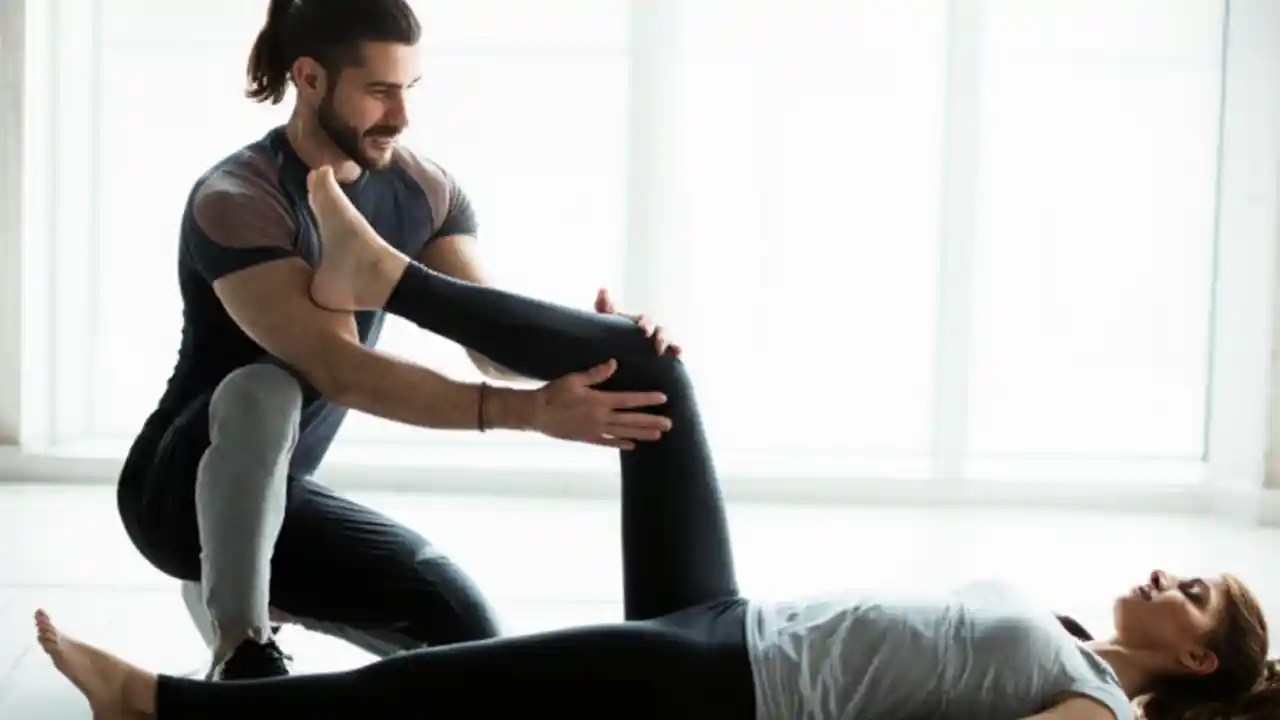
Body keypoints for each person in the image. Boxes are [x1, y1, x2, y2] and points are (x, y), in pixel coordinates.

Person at [38, 161, 1280, 719]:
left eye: (1199, 594)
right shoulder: (1061, 635)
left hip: (734, 694)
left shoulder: (1095, 708)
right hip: (734, 626)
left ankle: (160, 709)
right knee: (646, 365)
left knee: (460, 688)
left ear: (1193, 665)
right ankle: (387, 274)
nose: (1172, 575)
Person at [115, 0, 680, 682]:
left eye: (409, 89)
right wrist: (528, 414)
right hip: (174, 495)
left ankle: (248, 582)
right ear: (311, 78)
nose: (402, 115)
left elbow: (488, 335)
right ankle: (242, 648)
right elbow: (340, 368)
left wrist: (595, 339)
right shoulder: (239, 197)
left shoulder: (423, 188)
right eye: (380, 91)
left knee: (467, 639)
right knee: (262, 387)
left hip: (281, 492)